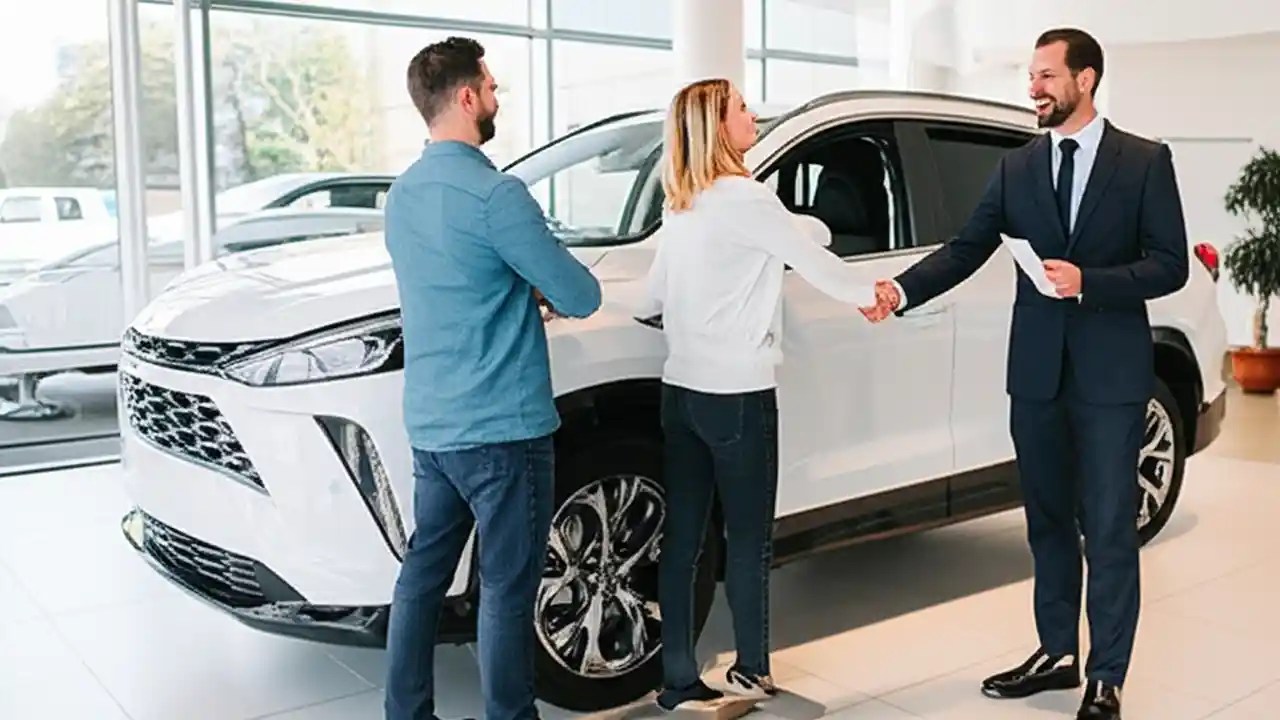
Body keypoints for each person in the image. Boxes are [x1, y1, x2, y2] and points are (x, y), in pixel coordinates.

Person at [862, 28, 1188, 720]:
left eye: (1046, 76)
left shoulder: (1144, 163)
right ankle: (1056, 652)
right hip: (1036, 377)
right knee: (1044, 521)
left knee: (1106, 526)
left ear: (1086, 79)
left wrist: (1089, 282)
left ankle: (1106, 675)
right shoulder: (1017, 169)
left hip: (1110, 378)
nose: (1033, 88)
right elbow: (966, 248)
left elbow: (1170, 264)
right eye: (1031, 76)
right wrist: (900, 290)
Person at [637, 78, 876, 712]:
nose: (754, 114)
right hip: (737, 395)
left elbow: (649, 301)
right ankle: (749, 671)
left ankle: (678, 682)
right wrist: (873, 298)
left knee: (684, 538)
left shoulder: (682, 205)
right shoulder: (748, 198)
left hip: (681, 389)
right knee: (747, 538)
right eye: (742, 107)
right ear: (718, 126)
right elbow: (817, 262)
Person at [381, 36, 602, 720]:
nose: (498, 96)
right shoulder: (497, 194)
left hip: (434, 426)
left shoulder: (403, 194)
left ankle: (406, 712)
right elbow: (581, 294)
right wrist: (533, 286)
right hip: (503, 429)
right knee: (507, 589)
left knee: (422, 577)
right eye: (493, 86)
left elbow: (452, 284)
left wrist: (511, 284)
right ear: (468, 96)